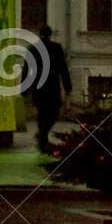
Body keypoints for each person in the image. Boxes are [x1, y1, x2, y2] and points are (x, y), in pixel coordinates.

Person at [30, 24, 72, 155]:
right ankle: (42, 135)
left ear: (39, 33)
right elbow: (63, 68)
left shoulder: (33, 49)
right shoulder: (56, 48)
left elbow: (27, 69)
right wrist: (67, 86)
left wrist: (24, 89)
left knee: (42, 113)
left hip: (38, 87)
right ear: (50, 34)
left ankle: (42, 135)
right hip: (52, 86)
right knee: (53, 114)